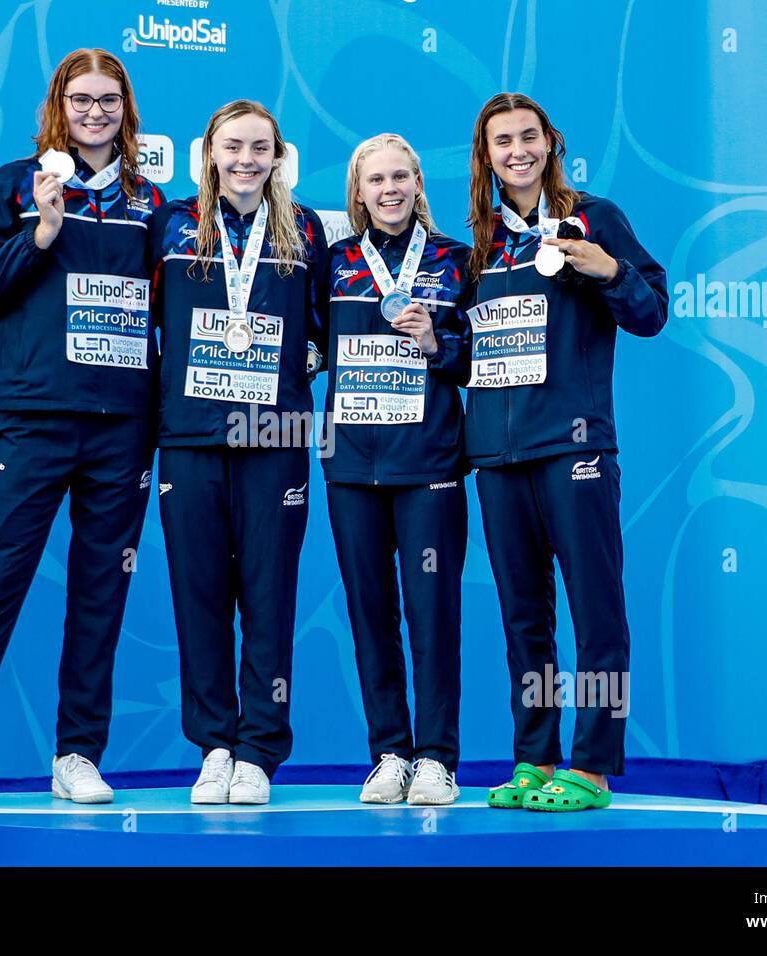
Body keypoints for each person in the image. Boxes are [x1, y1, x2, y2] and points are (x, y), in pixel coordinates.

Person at [0, 49, 164, 810]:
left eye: (109, 100)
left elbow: (171, 309)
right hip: (34, 421)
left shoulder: (151, 198)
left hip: (121, 429)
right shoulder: (18, 183)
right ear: (58, 104)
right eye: (82, 99)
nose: (95, 113)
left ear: (127, 109)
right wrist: (39, 233)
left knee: (99, 597)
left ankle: (78, 753)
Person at [462, 92, 668, 812]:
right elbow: (472, 353)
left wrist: (608, 270)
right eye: (500, 143)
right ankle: (535, 757)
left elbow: (651, 314)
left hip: (576, 448)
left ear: (550, 141)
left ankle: (593, 764)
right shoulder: (479, 242)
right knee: (524, 616)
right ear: (484, 157)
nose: (516, 152)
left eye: (527, 137)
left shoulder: (595, 217)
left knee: (596, 609)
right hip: (497, 457)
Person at [146, 99, 329, 805]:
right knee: (199, 596)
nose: (247, 160)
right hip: (189, 436)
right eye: (233, 146)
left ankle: (259, 748)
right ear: (210, 153)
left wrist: (300, 359)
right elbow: (145, 318)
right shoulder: (172, 224)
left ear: (277, 156)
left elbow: (323, 326)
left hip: (273, 438)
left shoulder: (306, 227)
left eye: (261, 148)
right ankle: (215, 745)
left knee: (268, 593)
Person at [321, 133, 471, 805]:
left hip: (429, 463)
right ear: (357, 191)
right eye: (375, 179)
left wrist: (436, 341)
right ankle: (389, 752)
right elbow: (307, 345)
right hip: (351, 466)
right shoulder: (332, 262)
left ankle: (437, 757)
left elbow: (476, 362)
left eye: (400, 177)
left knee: (433, 611)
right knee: (370, 611)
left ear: (418, 183)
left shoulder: (454, 260)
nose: (389, 190)